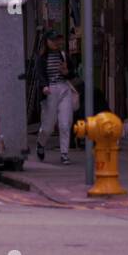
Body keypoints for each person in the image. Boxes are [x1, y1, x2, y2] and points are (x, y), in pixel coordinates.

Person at [34, 29, 74, 165]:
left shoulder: (63, 55)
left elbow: (72, 74)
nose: (57, 42)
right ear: (47, 41)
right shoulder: (41, 58)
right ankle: (41, 143)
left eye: (59, 39)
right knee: (48, 126)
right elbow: (39, 75)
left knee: (65, 123)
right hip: (50, 91)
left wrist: (66, 72)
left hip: (64, 89)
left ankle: (64, 154)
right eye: (54, 40)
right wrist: (44, 86)